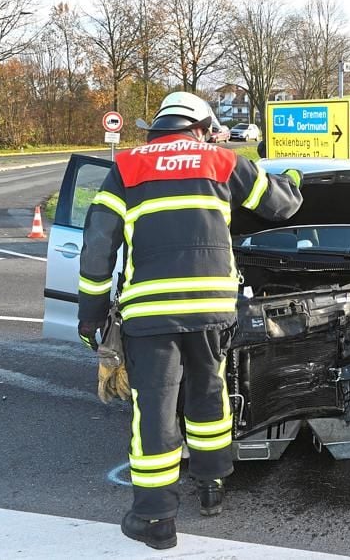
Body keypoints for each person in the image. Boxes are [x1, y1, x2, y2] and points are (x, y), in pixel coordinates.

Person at [77, 92, 303, 550]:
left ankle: (155, 519)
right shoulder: (220, 161)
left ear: (158, 127)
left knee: (155, 411)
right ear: (202, 127)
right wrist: (292, 177)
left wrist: (91, 315)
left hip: (150, 315)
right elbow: (283, 205)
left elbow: (98, 245)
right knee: (208, 394)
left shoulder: (126, 167)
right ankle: (211, 486)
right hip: (212, 310)